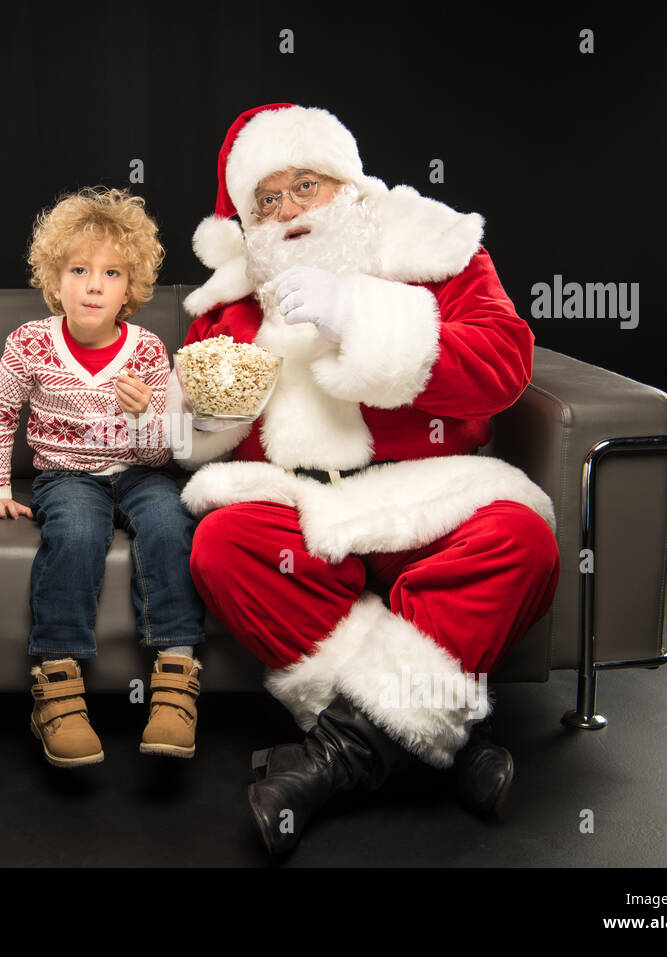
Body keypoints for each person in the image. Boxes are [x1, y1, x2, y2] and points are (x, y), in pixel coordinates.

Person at [168, 104, 562, 854]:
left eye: (306, 185)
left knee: (523, 540)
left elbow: (506, 361)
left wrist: (358, 314)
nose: (289, 210)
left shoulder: (433, 246)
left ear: (347, 184)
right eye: (267, 199)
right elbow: (193, 432)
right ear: (247, 223)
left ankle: (337, 758)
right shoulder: (227, 307)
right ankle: (442, 745)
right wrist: (202, 417)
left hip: (431, 494)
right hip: (304, 509)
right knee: (221, 545)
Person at [0, 186, 206, 768]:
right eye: (79, 270)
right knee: (77, 535)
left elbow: (165, 452)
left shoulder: (150, 351)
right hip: (66, 475)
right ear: (56, 282)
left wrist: (147, 415)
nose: (94, 285)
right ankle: (58, 685)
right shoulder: (28, 343)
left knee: (169, 524)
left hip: (140, 472)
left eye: (110, 273)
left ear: (130, 289)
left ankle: (175, 680)